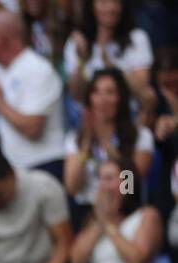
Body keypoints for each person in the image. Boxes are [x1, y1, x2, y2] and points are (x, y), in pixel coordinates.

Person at [0, 11, 66, 180]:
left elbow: (33, 129)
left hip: (44, 166)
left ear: (2, 40)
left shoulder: (37, 69)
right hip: (15, 168)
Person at [63, 67, 155, 213]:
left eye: (110, 92)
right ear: (89, 98)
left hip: (124, 211)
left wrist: (106, 143)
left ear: (121, 98)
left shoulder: (141, 136)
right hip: (87, 211)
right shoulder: (75, 138)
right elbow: (73, 188)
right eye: (96, 92)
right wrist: (86, 144)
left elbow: (129, 188)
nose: (102, 100)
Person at [71, 158, 163, 263]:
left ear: (127, 184)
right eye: (100, 179)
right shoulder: (95, 221)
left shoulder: (146, 216)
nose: (103, 186)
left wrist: (108, 224)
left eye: (109, 179)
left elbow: (137, 261)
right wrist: (99, 224)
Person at [65, 0, 155, 113]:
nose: (111, 8)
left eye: (116, 2)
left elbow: (144, 92)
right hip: (89, 118)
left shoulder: (137, 38)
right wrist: (81, 61)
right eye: (104, 2)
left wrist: (113, 66)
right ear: (91, 6)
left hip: (127, 116)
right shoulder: (78, 41)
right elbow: (77, 95)